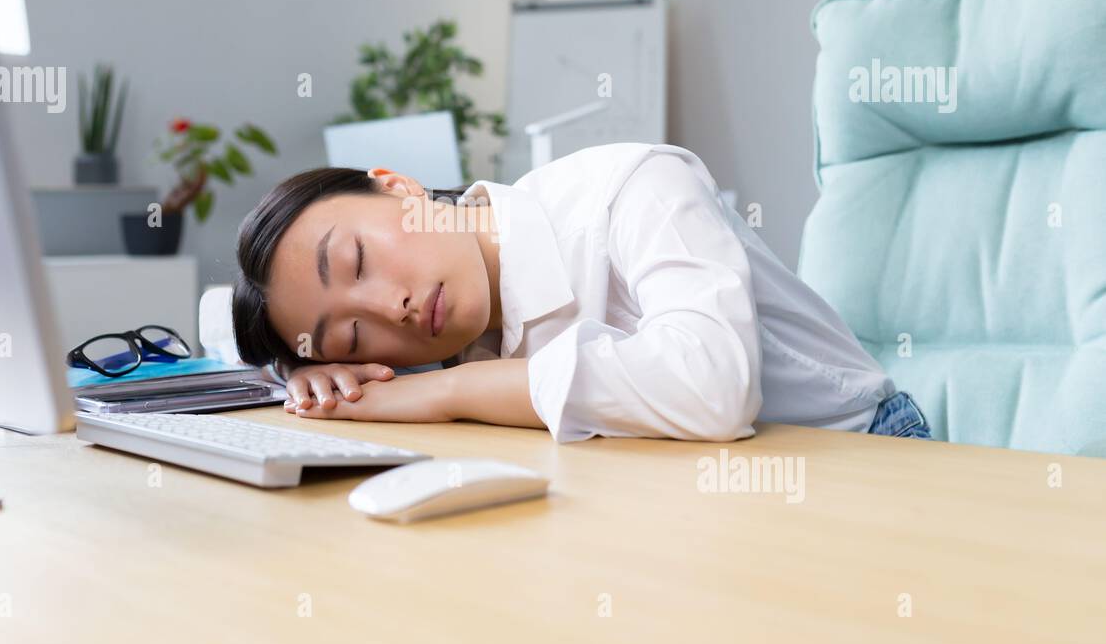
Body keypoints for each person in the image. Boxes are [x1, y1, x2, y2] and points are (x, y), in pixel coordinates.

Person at [231, 143, 932, 443]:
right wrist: (308, 371)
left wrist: (441, 394)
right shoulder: (447, 329)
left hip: (859, 457)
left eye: (356, 261)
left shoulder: (630, 189)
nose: (392, 310)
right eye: (354, 336)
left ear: (398, 186)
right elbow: (287, 365)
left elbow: (714, 391)